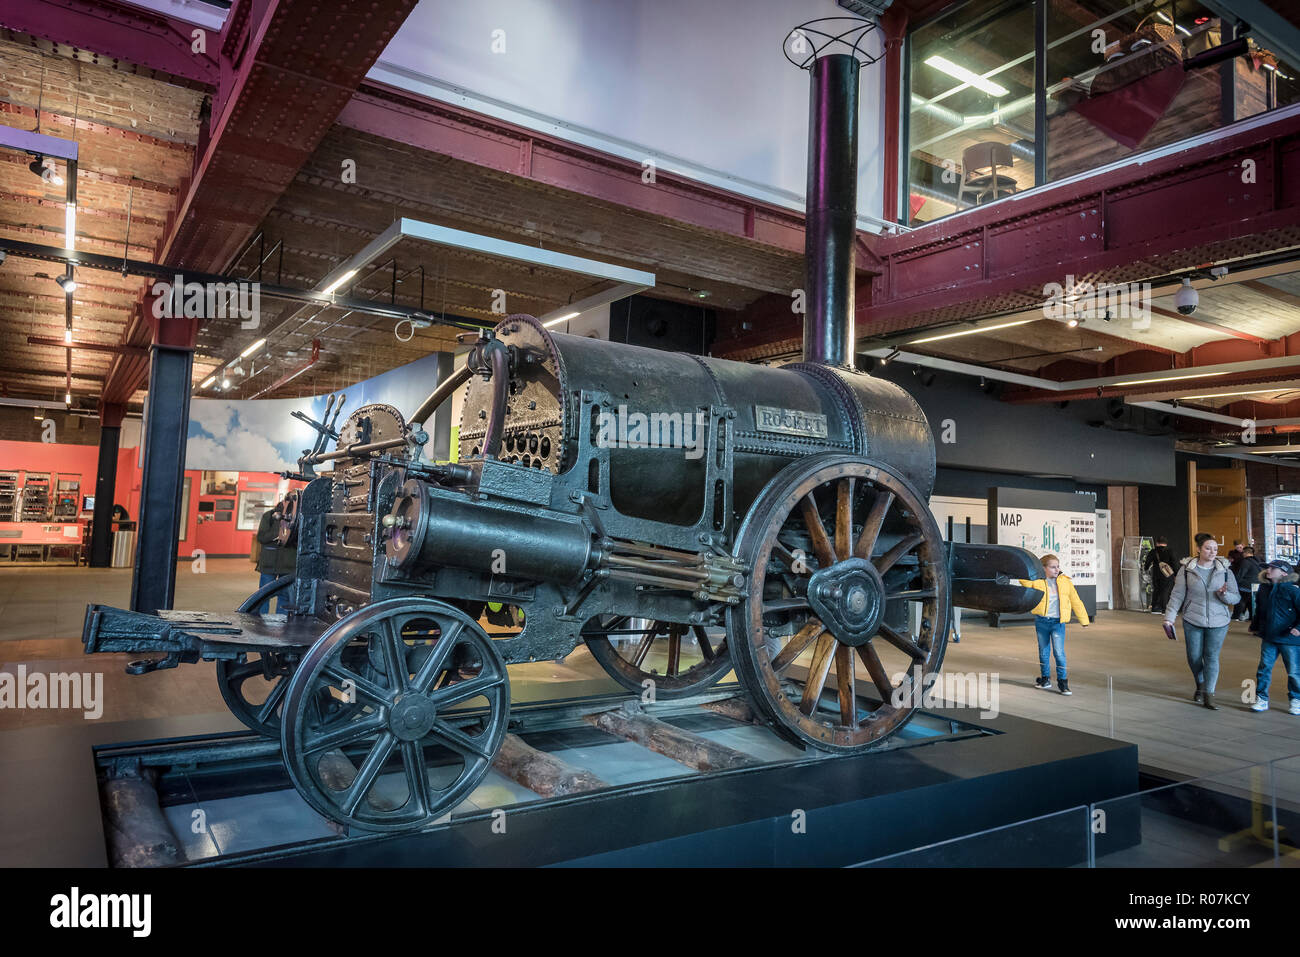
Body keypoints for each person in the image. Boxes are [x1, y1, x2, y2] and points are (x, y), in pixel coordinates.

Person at [1164, 532, 1240, 710]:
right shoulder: (1187, 570)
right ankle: (1200, 683)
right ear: (1199, 549)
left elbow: (1235, 597)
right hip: (1193, 619)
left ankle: (1209, 694)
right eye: (1208, 548)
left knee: (1212, 657)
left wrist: (1224, 595)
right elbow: (1177, 596)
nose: (1212, 552)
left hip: (1219, 621)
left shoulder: (1225, 570)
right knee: (1194, 657)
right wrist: (1169, 618)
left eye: (1215, 549)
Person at [1017, 553, 1090, 695]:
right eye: (1052, 567)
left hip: (1058, 623)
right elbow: (1024, 581)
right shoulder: (1038, 582)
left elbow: (1076, 601)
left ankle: (1063, 682)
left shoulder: (1065, 582)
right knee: (1044, 652)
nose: (1057, 570)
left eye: (1058, 567)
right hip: (1042, 621)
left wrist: (1084, 619)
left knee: (1059, 653)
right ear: (1043, 568)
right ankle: (1045, 679)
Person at [1248, 559, 1300, 715]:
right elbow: (1259, 611)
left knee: (1294, 671)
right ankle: (1261, 699)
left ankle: (1296, 699)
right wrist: (1255, 626)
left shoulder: (1293, 590)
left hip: (1289, 639)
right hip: (1269, 637)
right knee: (1264, 668)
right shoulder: (1263, 589)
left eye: (1272, 568)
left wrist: (1298, 628)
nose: (1268, 570)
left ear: (1284, 573)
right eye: (1268, 567)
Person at [253, 499, 296, 613]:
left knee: (285, 596)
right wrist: (279, 532)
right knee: (263, 595)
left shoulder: (297, 518)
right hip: (269, 563)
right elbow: (261, 537)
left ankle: (281, 621)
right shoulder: (269, 516)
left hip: (288, 565)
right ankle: (259, 620)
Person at [1143, 536, 1177, 614]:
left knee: (1156, 590)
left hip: (1156, 575)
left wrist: (1146, 569)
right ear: (1166, 543)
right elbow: (1174, 563)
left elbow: (1147, 563)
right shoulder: (1170, 551)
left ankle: (1154, 608)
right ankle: (1164, 609)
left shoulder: (1153, 551)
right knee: (1166, 591)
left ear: (1157, 543)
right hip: (1167, 575)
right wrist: (1176, 574)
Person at [1234, 545, 1262, 621]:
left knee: (1240, 600)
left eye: (1243, 553)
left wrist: (1235, 583)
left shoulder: (1246, 561)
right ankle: (1251, 617)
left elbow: (1241, 574)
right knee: (1250, 601)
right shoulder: (1258, 561)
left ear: (1245, 553)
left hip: (1246, 585)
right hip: (1257, 585)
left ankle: (1236, 616)